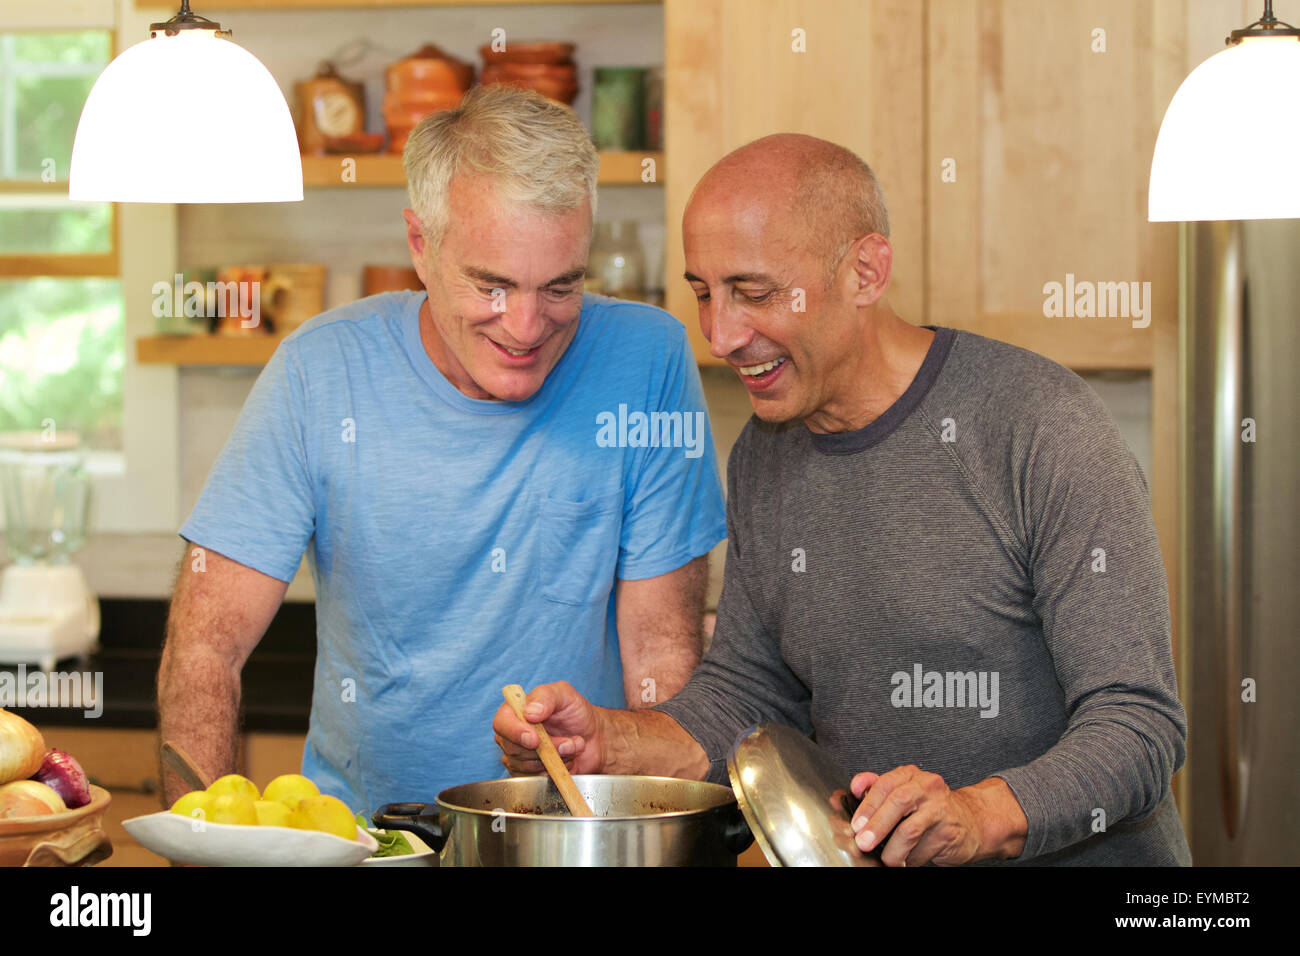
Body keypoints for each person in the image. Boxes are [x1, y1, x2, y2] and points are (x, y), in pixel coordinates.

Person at [495, 133, 1192, 866]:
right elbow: (748, 694)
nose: (722, 334)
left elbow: (1139, 726)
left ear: (866, 270)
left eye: (755, 293)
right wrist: (612, 743)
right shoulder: (767, 453)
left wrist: (976, 815)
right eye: (704, 292)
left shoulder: (1040, 426)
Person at [158, 86, 726, 813]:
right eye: (491, 285)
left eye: (561, 287)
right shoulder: (319, 372)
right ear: (421, 246)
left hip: (579, 842)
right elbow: (207, 648)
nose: (525, 326)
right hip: (366, 845)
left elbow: (662, 668)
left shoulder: (647, 361)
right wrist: (200, 846)